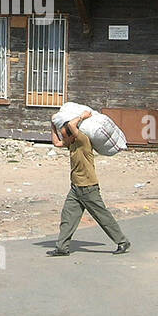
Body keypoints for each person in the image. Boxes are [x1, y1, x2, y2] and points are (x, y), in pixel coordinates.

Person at [48, 110, 130, 256]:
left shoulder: (82, 141)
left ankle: (122, 242)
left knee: (102, 216)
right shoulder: (71, 143)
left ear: (72, 135)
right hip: (75, 189)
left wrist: (82, 117)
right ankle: (62, 248)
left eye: (64, 135)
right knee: (68, 218)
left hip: (89, 188)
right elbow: (56, 143)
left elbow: (72, 126)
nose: (63, 138)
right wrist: (53, 125)